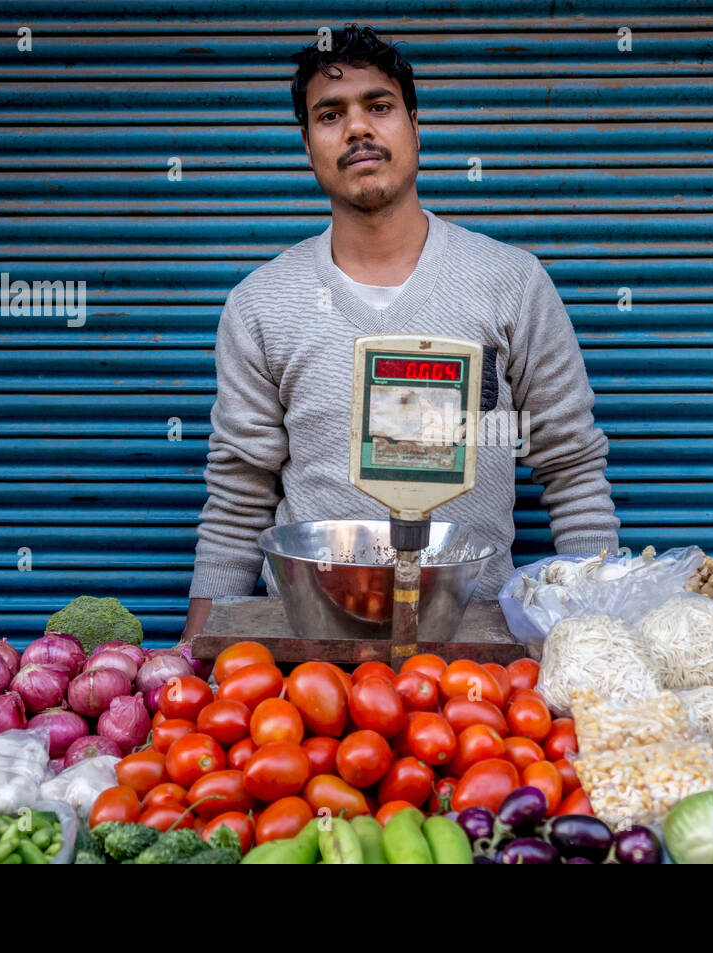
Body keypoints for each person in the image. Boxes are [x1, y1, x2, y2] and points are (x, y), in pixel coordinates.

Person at [183, 23, 619, 637]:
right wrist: (194, 658)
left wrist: (593, 637)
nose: (358, 127)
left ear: (415, 127)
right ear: (308, 146)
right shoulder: (261, 304)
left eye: (379, 107)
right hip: (312, 658)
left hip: (482, 658)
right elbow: (237, 499)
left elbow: (572, 469)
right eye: (330, 115)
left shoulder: (510, 281)